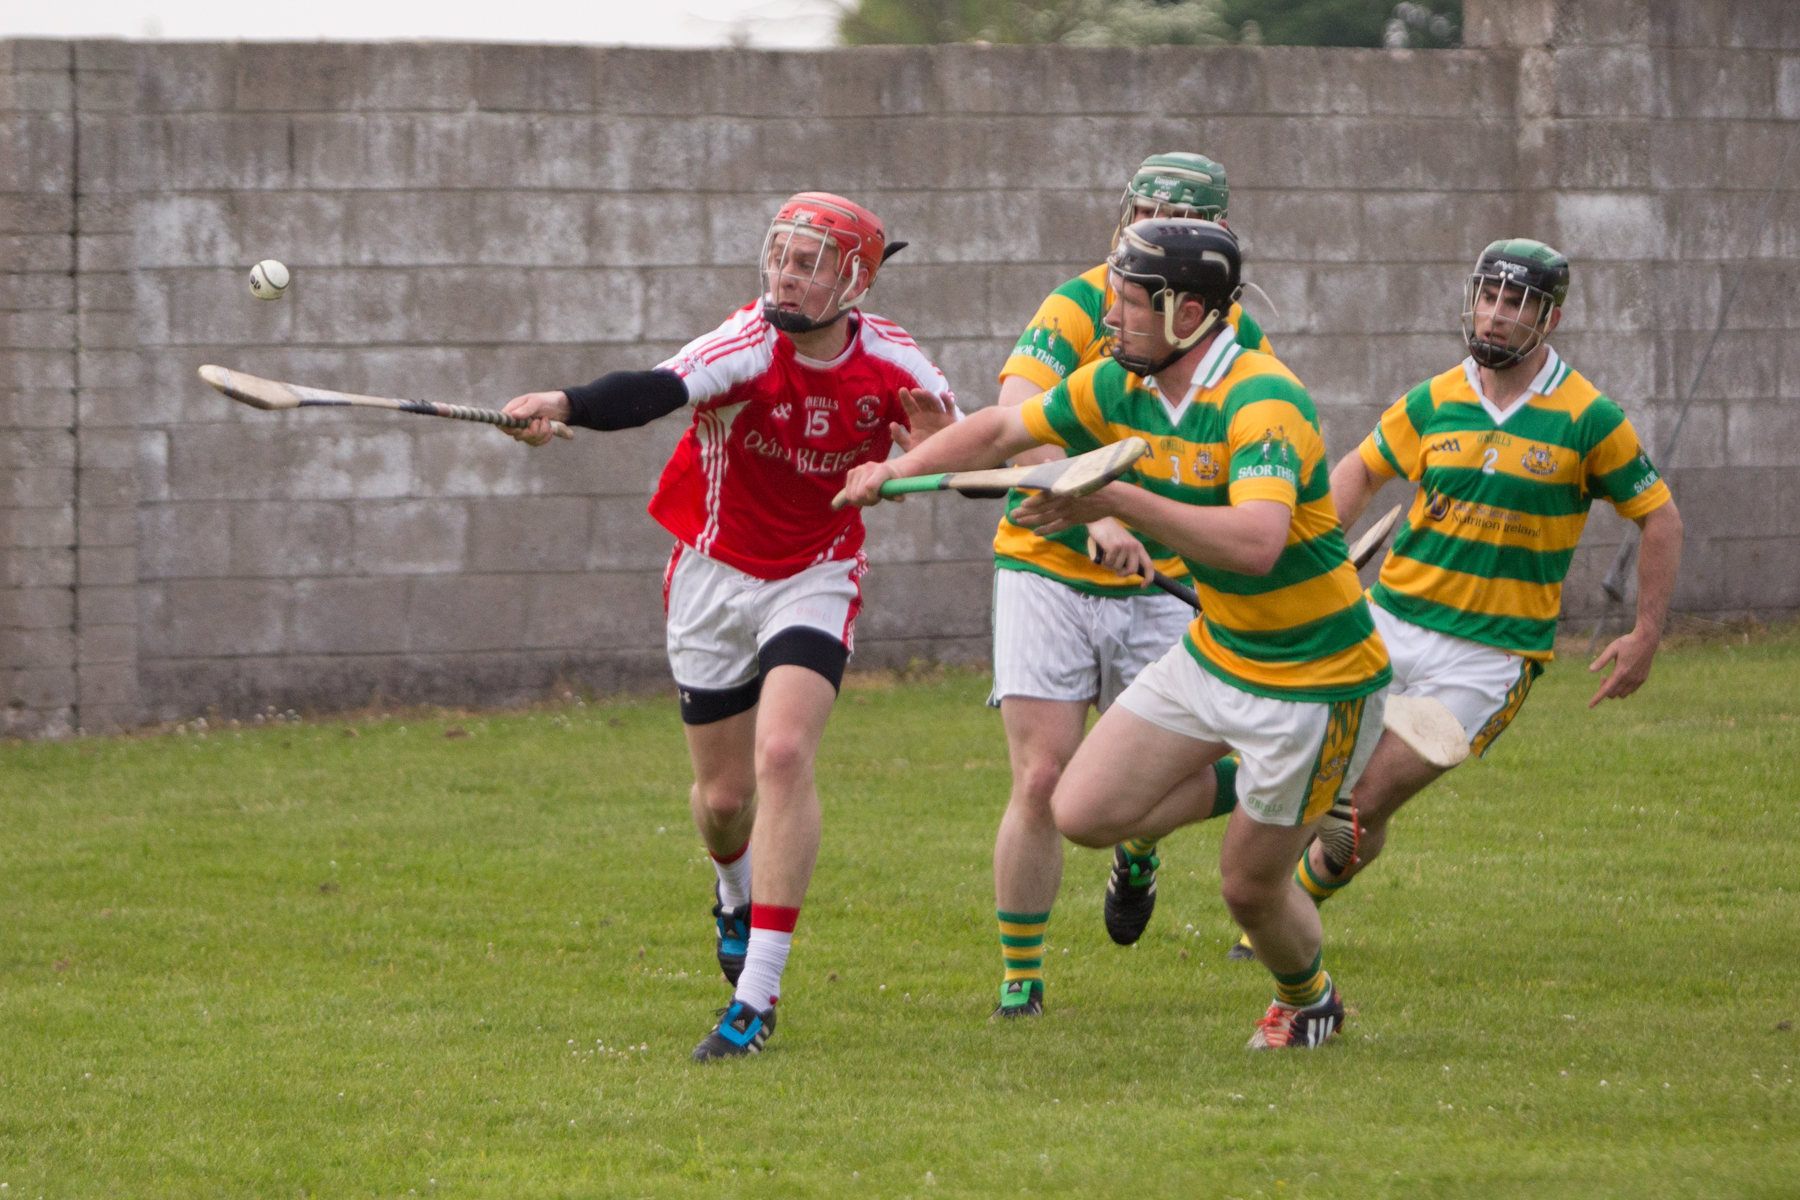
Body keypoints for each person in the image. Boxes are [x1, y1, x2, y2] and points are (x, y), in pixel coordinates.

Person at [844, 219, 1391, 1049]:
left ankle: (1309, 997)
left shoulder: (1262, 400)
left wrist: (1113, 499)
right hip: (1219, 655)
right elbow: (999, 432)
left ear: (1189, 313)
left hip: (1316, 680)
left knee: (1246, 888)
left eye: (1132, 302)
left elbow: (1255, 543)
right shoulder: (1118, 385)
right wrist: (896, 471)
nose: (1112, 315)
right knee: (1081, 808)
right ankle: (1292, 795)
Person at [503, 192, 958, 1061]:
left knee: (783, 754)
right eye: (782, 254)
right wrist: (563, 402)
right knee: (722, 803)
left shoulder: (896, 364)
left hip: (817, 573)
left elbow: (958, 442)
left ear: (854, 280)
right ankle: (731, 891)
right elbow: (654, 391)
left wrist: (921, 455)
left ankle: (756, 997)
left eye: (810, 261)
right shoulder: (747, 342)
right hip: (713, 571)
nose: (787, 272)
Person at [1231, 238, 1682, 946]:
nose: (1496, 316)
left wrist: (1647, 633)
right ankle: (1266, 906)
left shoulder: (1588, 417)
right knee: (1292, 759)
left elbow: (1659, 518)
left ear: (1549, 320)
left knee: (1360, 804)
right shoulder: (1435, 400)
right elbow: (1356, 472)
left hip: (1490, 658)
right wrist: (1310, 560)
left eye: (1517, 303)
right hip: (1386, 621)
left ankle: (1283, 912)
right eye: (1488, 297)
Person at [982, 153, 1273, 1018]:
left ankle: (1140, 846)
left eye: (1169, 218)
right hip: (1046, 565)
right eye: (1140, 210)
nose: (1143, 235)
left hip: (1161, 581)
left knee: (1147, 785)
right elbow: (1016, 412)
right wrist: (1093, 510)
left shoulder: (1239, 345)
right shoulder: (1079, 304)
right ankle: (1022, 980)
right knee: (1042, 776)